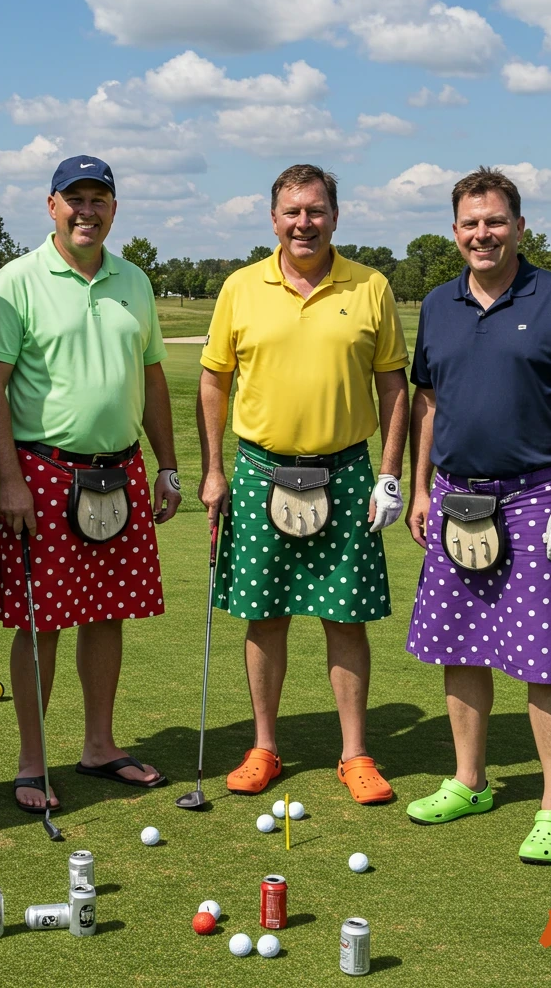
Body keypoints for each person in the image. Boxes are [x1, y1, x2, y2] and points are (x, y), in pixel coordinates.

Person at [404, 167, 551, 863]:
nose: (482, 233)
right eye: (470, 222)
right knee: (460, 648)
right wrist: (422, 484)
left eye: (495, 221)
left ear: (519, 226)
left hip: (535, 499)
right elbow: (428, 402)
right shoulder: (437, 304)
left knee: (545, 659)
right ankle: (469, 780)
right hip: (458, 498)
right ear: (454, 230)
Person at [0, 155, 181, 813]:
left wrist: (168, 464)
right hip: (42, 472)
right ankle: (31, 762)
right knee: (41, 625)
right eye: (75, 199)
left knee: (107, 615)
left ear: (113, 209)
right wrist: (8, 479)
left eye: (99, 200)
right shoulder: (19, 280)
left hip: (119, 472)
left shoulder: (134, 281)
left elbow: (151, 380)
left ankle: (99, 746)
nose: (86, 211)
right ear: (52, 205)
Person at [198, 164, 409, 803]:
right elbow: (214, 379)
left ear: (336, 217)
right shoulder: (240, 287)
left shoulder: (371, 286)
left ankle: (355, 754)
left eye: (316, 211)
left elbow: (393, 383)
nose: (303, 223)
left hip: (344, 471)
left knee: (345, 618)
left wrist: (390, 474)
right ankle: (264, 746)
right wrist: (213, 471)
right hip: (262, 470)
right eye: (292, 212)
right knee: (264, 617)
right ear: (273, 219)